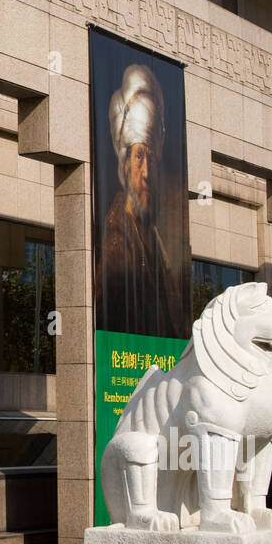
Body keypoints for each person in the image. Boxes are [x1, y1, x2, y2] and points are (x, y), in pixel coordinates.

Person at [95, 62, 185, 338]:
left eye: (152, 158)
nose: (146, 172)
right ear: (124, 164)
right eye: (138, 157)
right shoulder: (116, 237)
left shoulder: (153, 235)